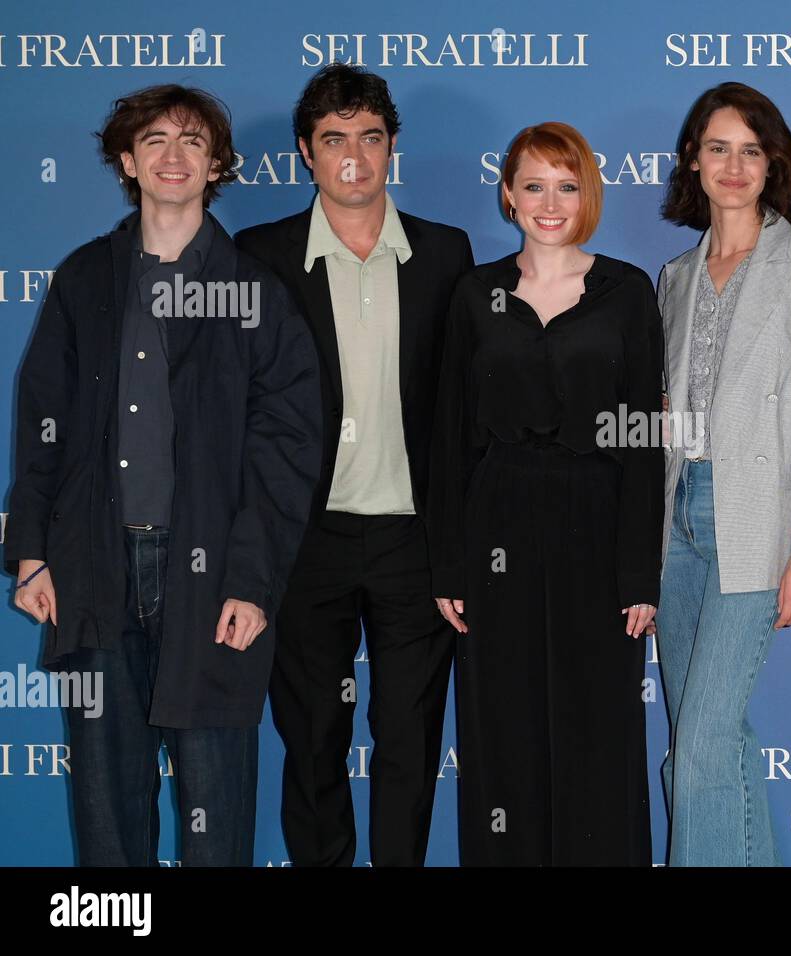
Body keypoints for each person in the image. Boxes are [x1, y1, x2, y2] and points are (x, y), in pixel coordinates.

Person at [5, 85, 322, 866]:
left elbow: (285, 449)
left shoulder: (254, 293)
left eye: (191, 142)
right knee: (108, 818)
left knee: (216, 815)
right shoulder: (86, 280)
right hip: (93, 571)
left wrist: (252, 580)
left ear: (216, 163)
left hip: (211, 578)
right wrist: (31, 550)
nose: (173, 157)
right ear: (127, 160)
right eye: (154, 141)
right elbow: (41, 425)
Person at [235, 63, 473, 867]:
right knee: (310, 743)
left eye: (369, 138)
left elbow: (463, 408)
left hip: (416, 544)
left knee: (409, 743)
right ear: (306, 152)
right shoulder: (259, 256)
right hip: (306, 542)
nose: (353, 157)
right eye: (334, 139)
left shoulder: (447, 255)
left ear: (392, 147)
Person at [430, 121, 663, 866]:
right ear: (508, 196)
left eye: (567, 185)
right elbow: (450, 439)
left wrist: (639, 575)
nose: (550, 201)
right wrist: (448, 566)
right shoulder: (474, 294)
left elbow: (642, 440)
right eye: (534, 185)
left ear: (587, 195)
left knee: (600, 732)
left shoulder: (627, 291)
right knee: (503, 730)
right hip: (496, 526)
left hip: (597, 531)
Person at [656, 82, 791, 866]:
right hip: (676, 523)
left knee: (701, 746)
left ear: (774, 162)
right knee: (711, 741)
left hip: (759, 520)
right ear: (694, 161)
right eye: (718, 149)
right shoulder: (674, 276)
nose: (734, 166)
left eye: (751, 149)